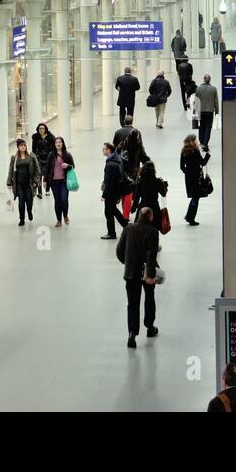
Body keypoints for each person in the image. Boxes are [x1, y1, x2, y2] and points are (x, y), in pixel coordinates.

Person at [116, 206, 160, 348]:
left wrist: (127, 262)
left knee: (133, 303)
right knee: (149, 297)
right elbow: (151, 256)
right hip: (147, 272)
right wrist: (151, 275)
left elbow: (119, 251)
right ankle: (149, 327)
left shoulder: (128, 228)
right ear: (151, 217)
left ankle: (132, 334)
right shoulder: (153, 232)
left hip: (131, 272)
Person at [5, 138, 42, 226]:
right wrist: (9, 182)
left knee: (29, 202)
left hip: (29, 183)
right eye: (21, 145)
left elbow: (37, 170)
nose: (23, 147)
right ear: (18, 147)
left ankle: (29, 211)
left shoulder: (31, 156)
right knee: (21, 202)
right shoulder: (14, 158)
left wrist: (36, 181)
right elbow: (11, 170)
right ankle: (21, 219)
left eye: (24, 145)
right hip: (19, 184)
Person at [101, 142, 129, 239]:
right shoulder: (117, 159)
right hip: (117, 190)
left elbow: (109, 181)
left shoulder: (110, 164)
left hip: (111, 192)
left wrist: (104, 195)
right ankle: (126, 225)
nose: (102, 150)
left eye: (104, 149)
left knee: (108, 212)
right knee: (113, 210)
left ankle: (112, 233)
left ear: (109, 150)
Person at [45, 136, 75, 227]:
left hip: (64, 181)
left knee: (64, 200)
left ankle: (65, 215)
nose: (58, 144)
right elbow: (47, 168)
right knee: (57, 201)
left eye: (60, 142)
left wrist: (67, 165)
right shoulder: (51, 155)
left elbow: (73, 166)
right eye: (56, 142)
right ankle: (58, 220)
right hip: (54, 182)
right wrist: (45, 180)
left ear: (62, 144)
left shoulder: (67, 155)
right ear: (54, 144)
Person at [119, 128, 147, 220]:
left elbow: (116, 152)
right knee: (129, 193)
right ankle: (125, 215)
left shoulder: (123, 144)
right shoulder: (138, 147)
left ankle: (125, 212)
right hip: (133, 173)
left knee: (124, 192)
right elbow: (144, 159)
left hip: (122, 171)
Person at [180, 135, 206, 226]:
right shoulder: (195, 150)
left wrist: (188, 173)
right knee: (196, 197)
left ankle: (189, 217)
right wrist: (208, 154)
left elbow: (182, 167)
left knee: (194, 197)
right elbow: (203, 163)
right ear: (193, 141)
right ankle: (190, 218)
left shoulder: (184, 151)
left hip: (189, 178)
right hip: (196, 177)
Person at [195, 75, 219, 154]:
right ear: (210, 80)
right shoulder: (213, 89)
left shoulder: (198, 88)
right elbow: (216, 101)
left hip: (201, 111)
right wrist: (217, 111)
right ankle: (205, 142)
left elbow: (196, 100)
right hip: (210, 111)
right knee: (208, 127)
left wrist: (195, 110)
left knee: (201, 126)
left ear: (203, 79)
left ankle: (201, 141)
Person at [31, 122, 55, 197]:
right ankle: (40, 192)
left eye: (43, 128)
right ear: (38, 129)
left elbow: (53, 148)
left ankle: (47, 189)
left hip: (48, 158)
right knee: (39, 174)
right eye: (40, 128)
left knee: (47, 174)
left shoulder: (50, 137)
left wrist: (52, 156)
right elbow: (33, 148)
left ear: (45, 129)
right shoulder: (35, 137)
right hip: (39, 158)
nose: (41, 130)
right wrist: (34, 157)